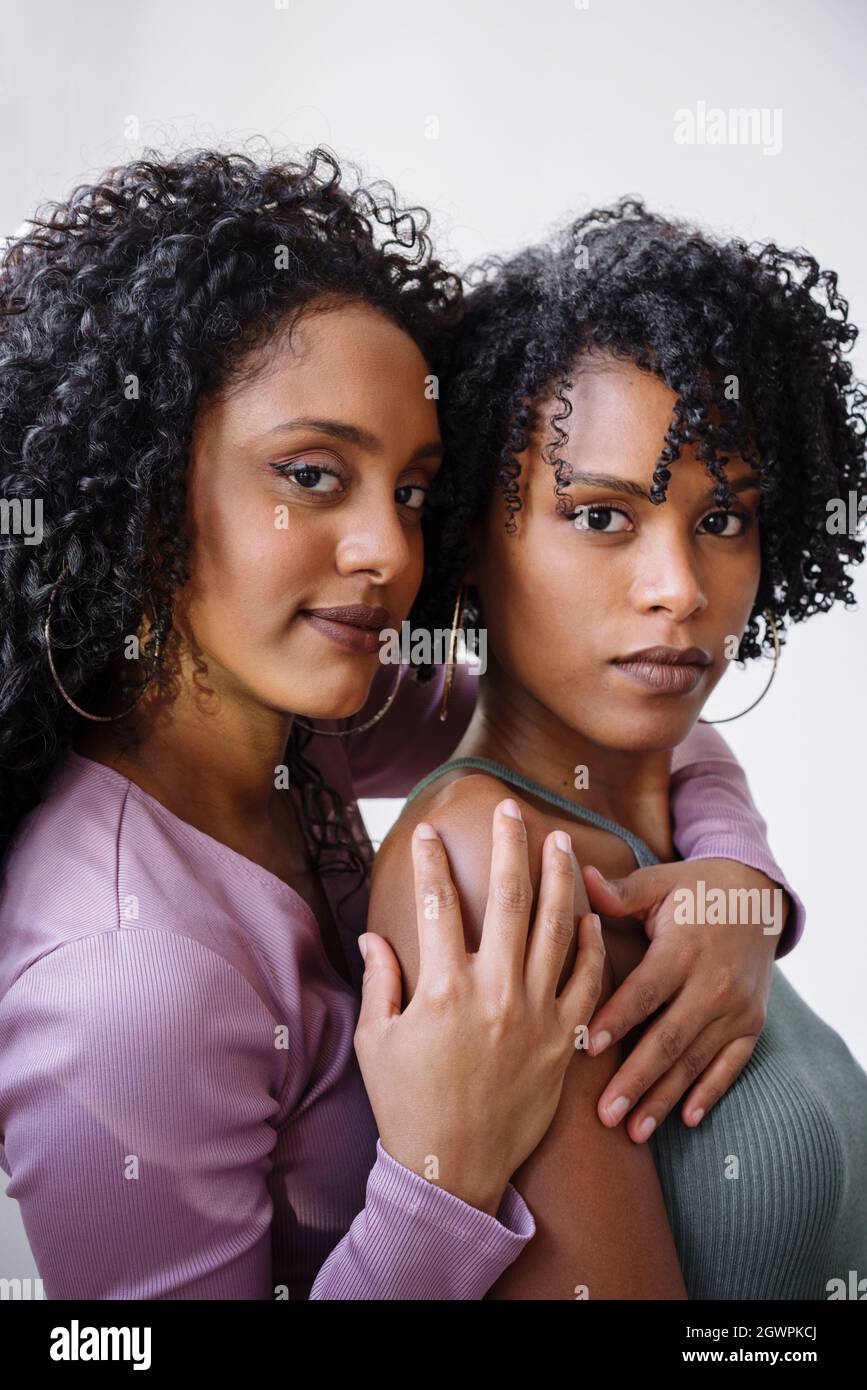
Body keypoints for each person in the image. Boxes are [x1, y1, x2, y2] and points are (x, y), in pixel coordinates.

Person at [0, 154, 801, 1300]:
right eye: (314, 475)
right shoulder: (125, 985)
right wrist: (445, 1173)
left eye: (414, 491)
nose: (389, 552)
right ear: (142, 486)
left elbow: (624, 707)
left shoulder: (309, 713)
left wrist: (737, 887)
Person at [368, 201, 867, 1299]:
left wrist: (746, 892)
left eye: (723, 517)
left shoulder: (676, 828)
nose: (680, 590)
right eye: (599, 517)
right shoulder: (493, 862)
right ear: (468, 540)